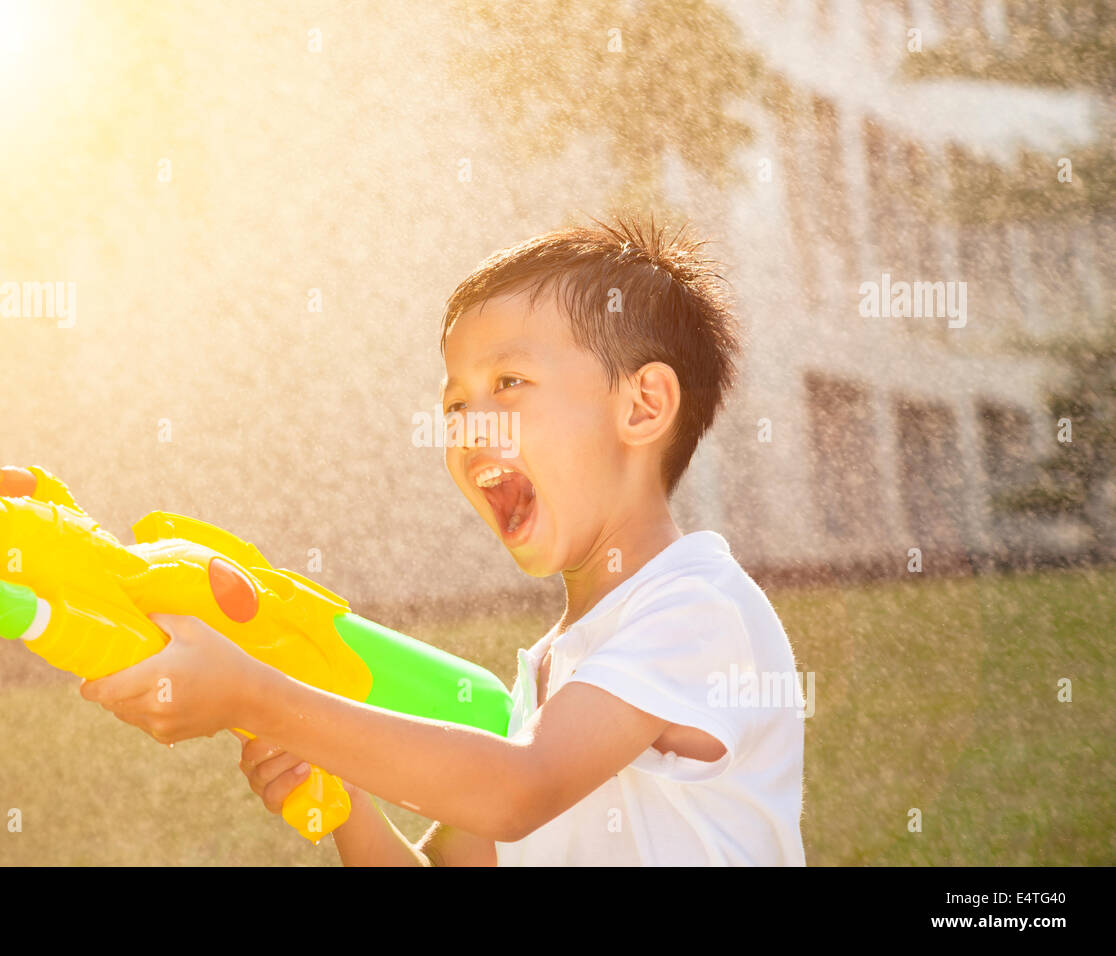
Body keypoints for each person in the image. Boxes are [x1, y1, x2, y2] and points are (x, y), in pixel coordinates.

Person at [81, 215, 807, 866]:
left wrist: (261, 698)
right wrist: (344, 796)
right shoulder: (555, 669)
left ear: (643, 406)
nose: (469, 428)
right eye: (455, 404)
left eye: (510, 382)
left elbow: (520, 789)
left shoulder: (698, 612)